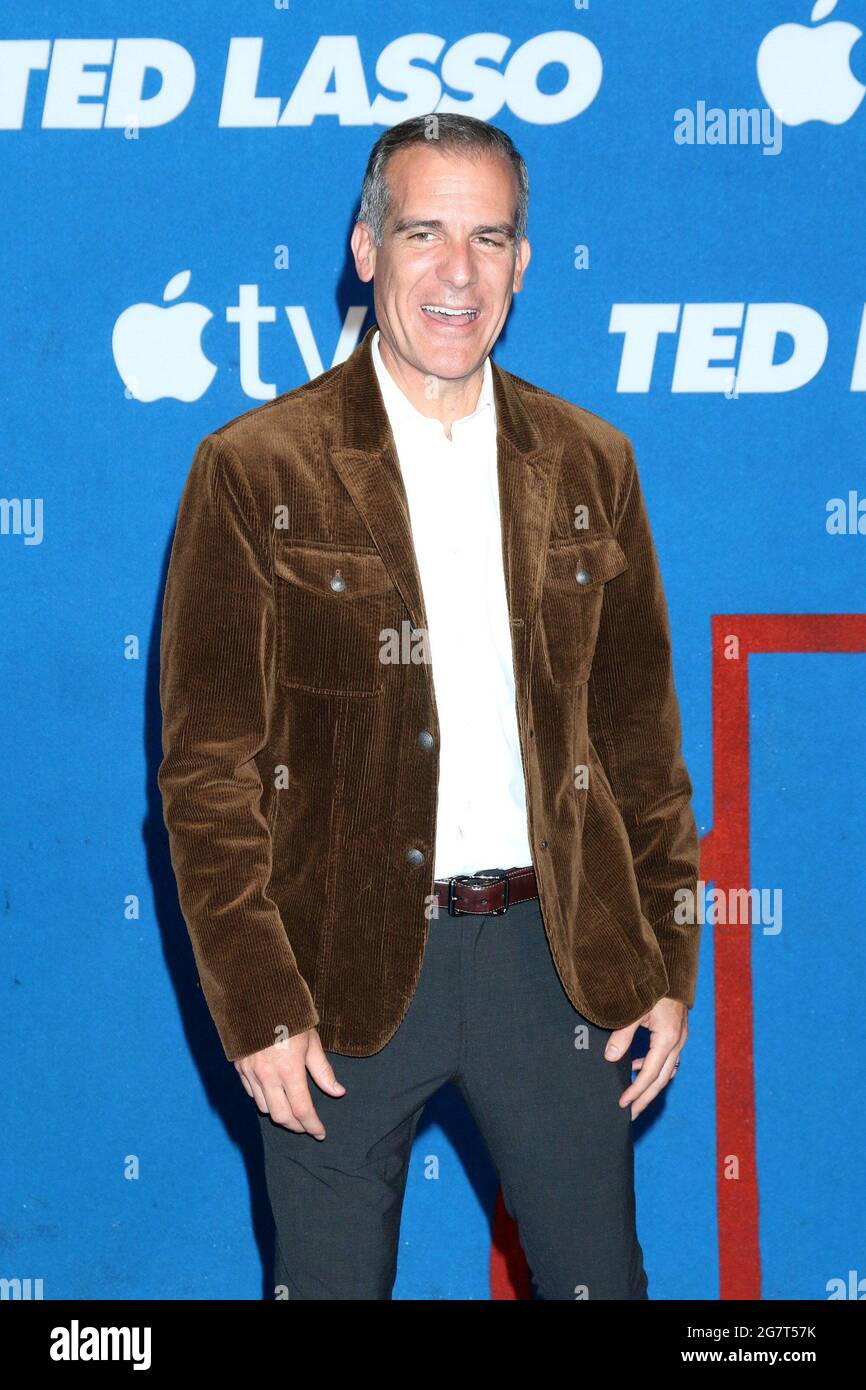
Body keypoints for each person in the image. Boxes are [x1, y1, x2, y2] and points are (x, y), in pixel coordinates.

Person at [157, 113, 702, 1301]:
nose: (457, 272)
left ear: (521, 260)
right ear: (364, 247)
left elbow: (640, 748)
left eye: (489, 237)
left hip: (553, 967)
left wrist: (666, 960)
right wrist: (257, 1007)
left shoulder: (590, 462)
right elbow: (206, 778)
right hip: (332, 972)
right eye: (422, 232)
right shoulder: (256, 470)